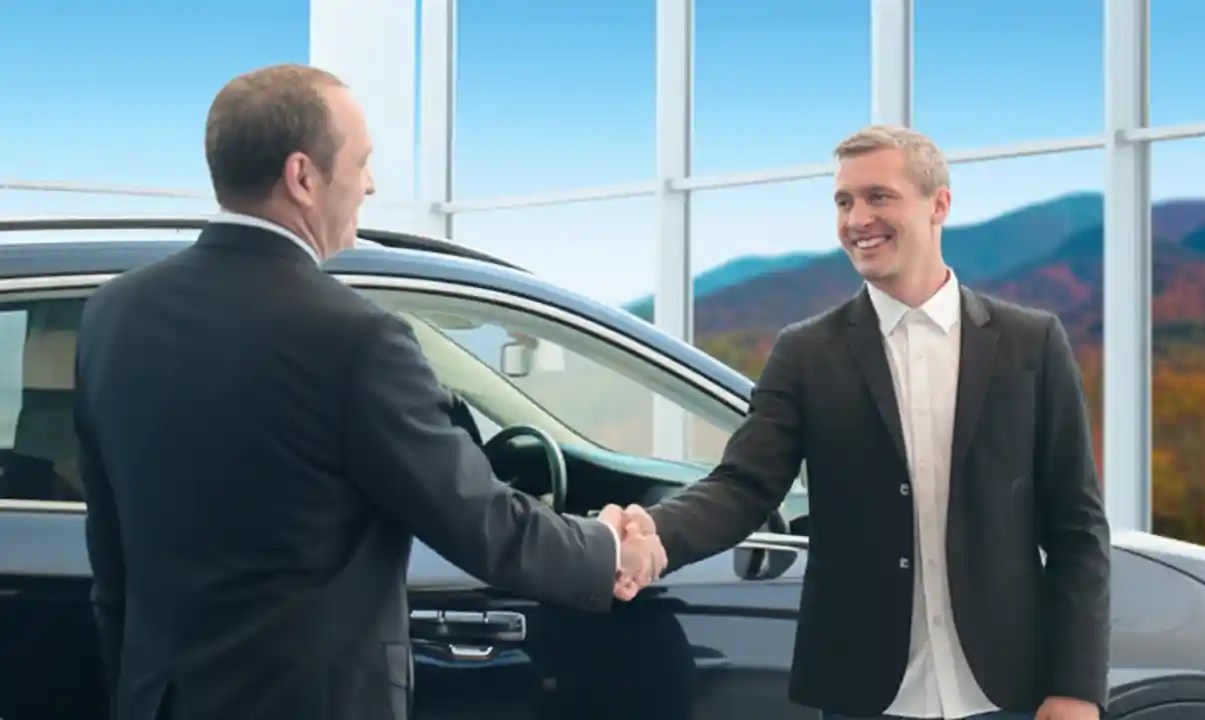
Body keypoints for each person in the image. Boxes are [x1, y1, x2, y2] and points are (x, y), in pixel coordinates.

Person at [75, 63, 666, 720]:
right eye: (362, 162)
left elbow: (113, 570)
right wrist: (610, 548)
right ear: (303, 177)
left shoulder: (111, 316)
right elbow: (481, 522)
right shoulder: (354, 340)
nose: (372, 184)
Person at [611, 125, 1111, 720]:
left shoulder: (1033, 344)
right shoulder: (805, 352)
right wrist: (655, 538)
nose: (856, 219)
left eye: (879, 197)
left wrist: (1077, 688)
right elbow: (742, 487)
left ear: (939, 205)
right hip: (864, 693)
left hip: (1005, 691)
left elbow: (1077, 529)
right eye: (844, 202)